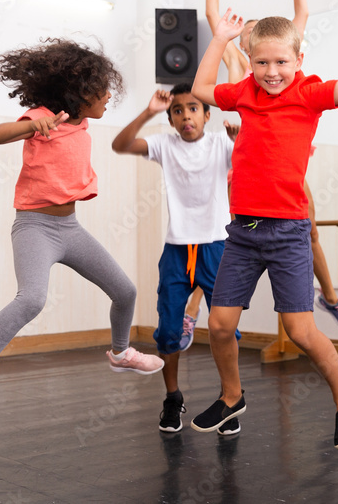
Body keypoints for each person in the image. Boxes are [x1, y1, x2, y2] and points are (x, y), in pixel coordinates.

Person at [188, 0, 338, 449]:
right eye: (262, 62)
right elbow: (202, 88)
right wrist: (220, 39)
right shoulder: (245, 93)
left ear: (298, 59)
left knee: (301, 331)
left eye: (282, 62)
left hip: (288, 232)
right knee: (219, 324)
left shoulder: (308, 93)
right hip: (244, 232)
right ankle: (232, 396)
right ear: (250, 62)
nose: (272, 71)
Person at [0, 39, 163, 409]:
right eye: (101, 88)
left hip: (71, 229)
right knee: (31, 299)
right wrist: (31, 126)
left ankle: (121, 353)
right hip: (35, 227)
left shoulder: (83, 122)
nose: (108, 95)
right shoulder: (42, 117)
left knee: (125, 291)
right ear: (77, 91)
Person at [205, 0, 338, 329]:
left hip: (286, 164)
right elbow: (212, 17)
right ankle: (213, 313)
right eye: (252, 44)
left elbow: (302, 11)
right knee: (247, 231)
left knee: (310, 233)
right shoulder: (241, 68)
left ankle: (330, 297)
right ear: (248, 49)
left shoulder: (282, 67)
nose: (268, 66)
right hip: (249, 165)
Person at [111, 84, 237, 433]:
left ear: (207, 115)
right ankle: (172, 397)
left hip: (217, 247)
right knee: (167, 332)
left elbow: (254, 161)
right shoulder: (164, 145)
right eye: (178, 111)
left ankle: (229, 400)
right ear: (170, 119)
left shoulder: (220, 144)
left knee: (226, 331)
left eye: (193, 108)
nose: (186, 115)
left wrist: (240, 137)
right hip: (176, 250)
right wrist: (149, 111)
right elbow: (120, 145)